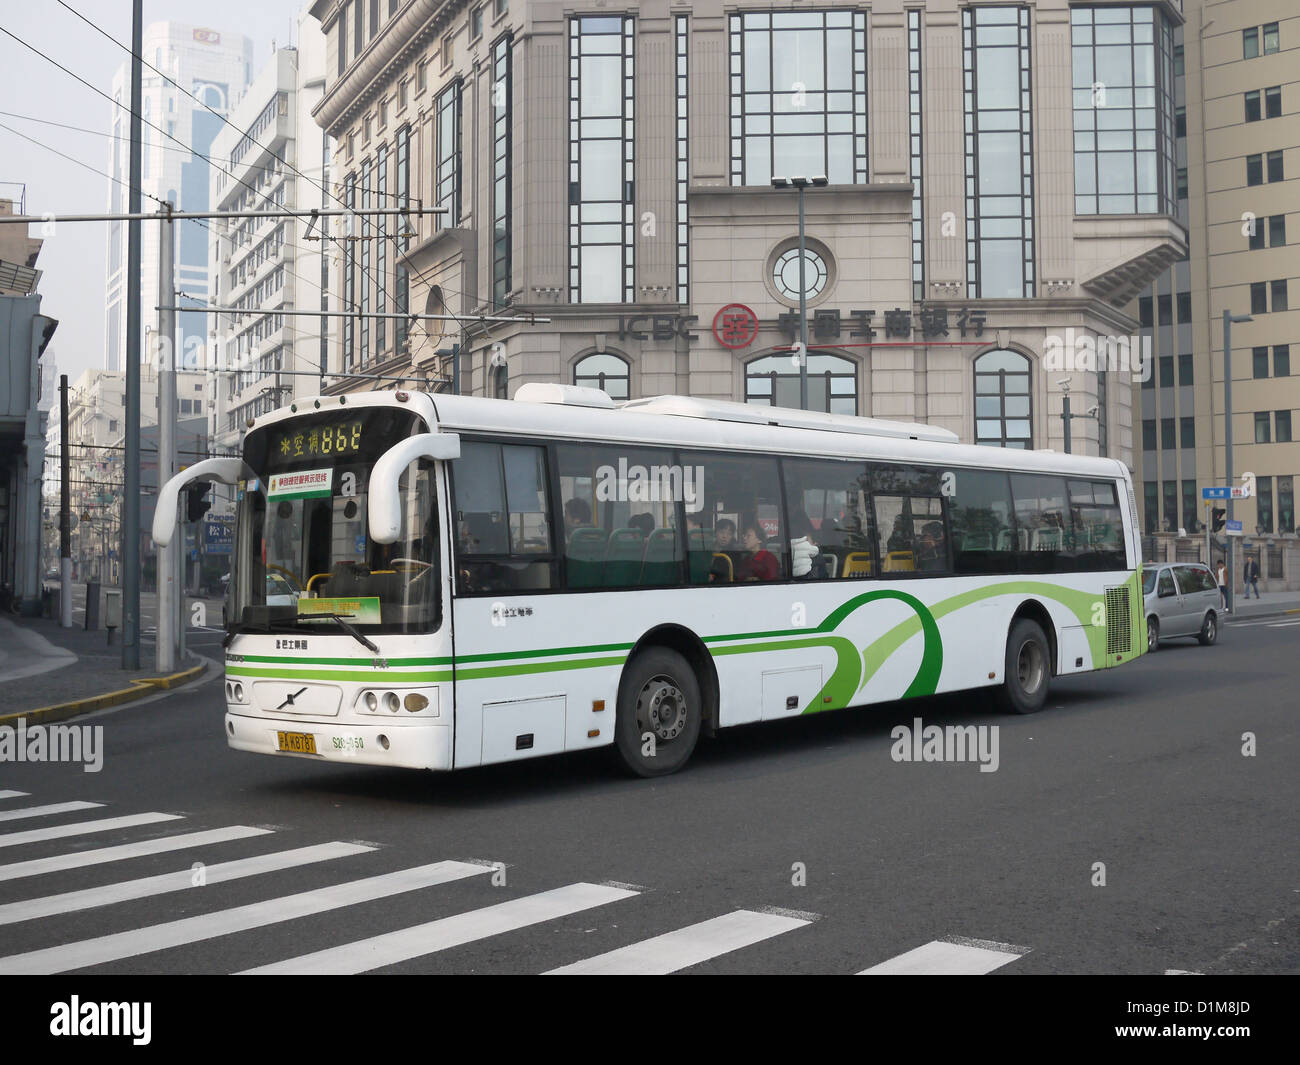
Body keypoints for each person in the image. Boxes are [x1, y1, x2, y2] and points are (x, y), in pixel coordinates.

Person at [789, 511, 822, 579]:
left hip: (794, 576)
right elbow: (815, 551)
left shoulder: (788, 545)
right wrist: (814, 546)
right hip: (806, 576)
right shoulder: (806, 544)